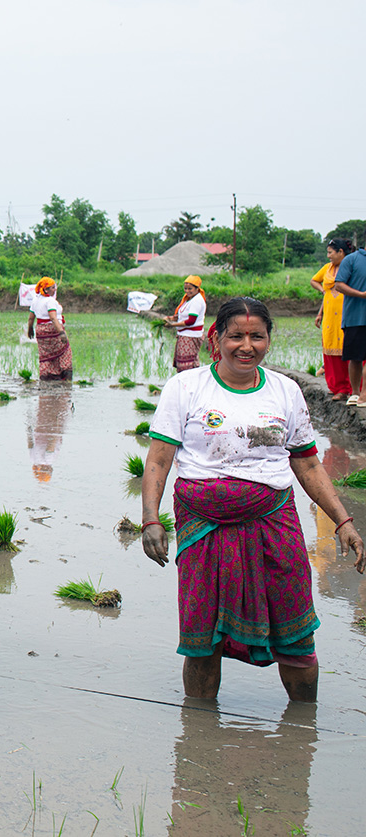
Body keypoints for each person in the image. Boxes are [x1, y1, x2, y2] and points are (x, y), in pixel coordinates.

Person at [141, 297, 365, 702]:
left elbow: (308, 465)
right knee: (203, 637)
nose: (247, 346)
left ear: (268, 340)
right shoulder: (185, 387)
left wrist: (343, 521)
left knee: (296, 634)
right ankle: (200, 728)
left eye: (257, 337)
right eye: (236, 336)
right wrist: (150, 519)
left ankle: (303, 725)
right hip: (204, 527)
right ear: (216, 339)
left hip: (274, 524)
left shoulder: (285, 391)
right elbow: (159, 459)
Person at [311, 240, 354, 400]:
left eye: (330, 252)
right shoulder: (327, 268)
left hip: (346, 313)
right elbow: (315, 281)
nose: (328, 256)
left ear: (341, 252)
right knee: (330, 349)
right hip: (329, 314)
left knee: (347, 349)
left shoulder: (352, 267)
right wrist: (320, 312)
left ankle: (349, 388)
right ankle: (336, 386)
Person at [330, 242, 366, 403]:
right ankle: (355, 393)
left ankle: (364, 394)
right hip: (355, 317)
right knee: (355, 357)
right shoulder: (352, 259)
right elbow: (339, 285)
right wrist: (361, 294)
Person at [25, 277, 72, 380]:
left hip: (41, 332)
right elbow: (53, 318)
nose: (55, 290)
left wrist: (30, 329)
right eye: (53, 288)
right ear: (46, 290)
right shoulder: (50, 301)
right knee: (65, 353)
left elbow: (31, 318)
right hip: (53, 330)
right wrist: (61, 332)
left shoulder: (35, 300)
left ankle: (47, 378)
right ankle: (66, 380)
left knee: (46, 356)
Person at [162, 275, 207, 373]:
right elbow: (182, 315)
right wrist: (170, 318)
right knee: (185, 363)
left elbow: (191, 321)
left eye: (190, 289)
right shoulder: (189, 299)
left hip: (190, 336)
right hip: (185, 335)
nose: (187, 291)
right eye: (185, 288)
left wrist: (172, 325)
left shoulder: (197, 301)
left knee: (187, 366)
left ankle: (189, 382)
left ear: (197, 288)